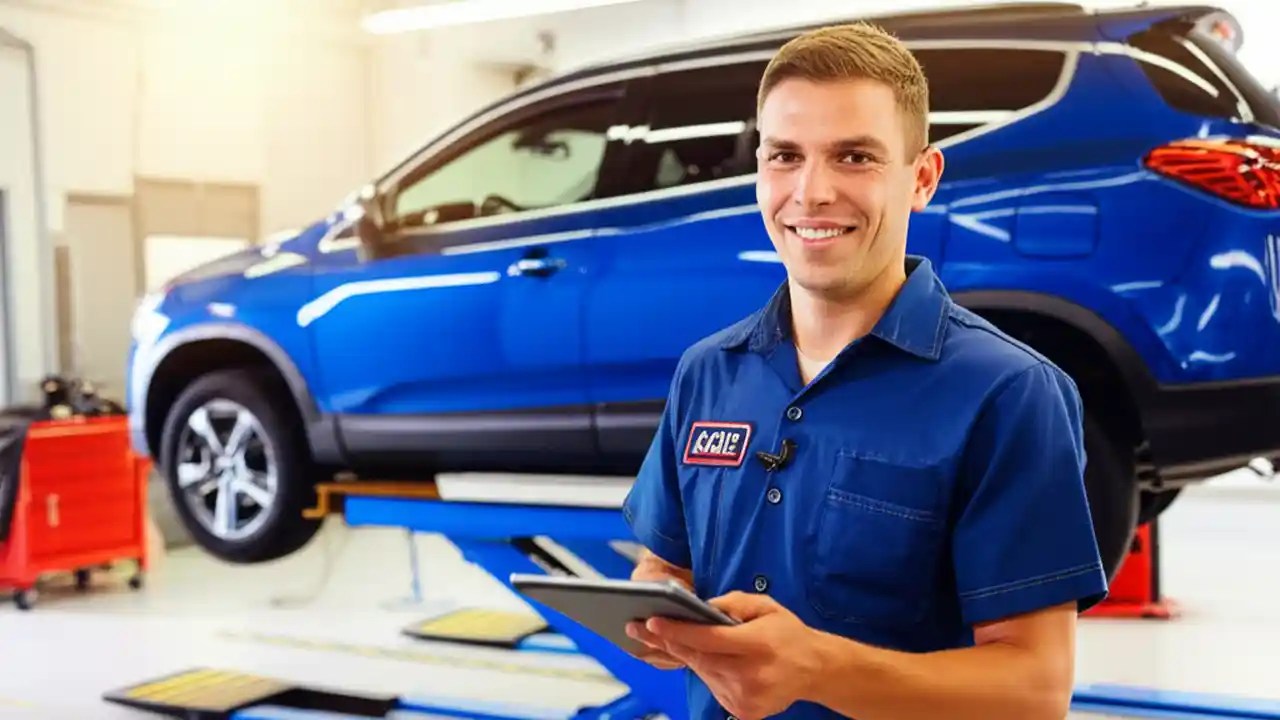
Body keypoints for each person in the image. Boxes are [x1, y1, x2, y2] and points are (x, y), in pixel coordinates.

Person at [620, 21, 1108, 720]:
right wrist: (658, 609)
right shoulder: (708, 373)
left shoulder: (1007, 395)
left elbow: (1032, 691)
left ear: (922, 179)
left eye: (853, 157)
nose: (811, 191)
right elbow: (667, 567)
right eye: (785, 156)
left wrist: (816, 668)